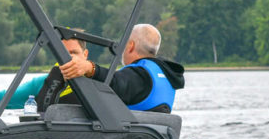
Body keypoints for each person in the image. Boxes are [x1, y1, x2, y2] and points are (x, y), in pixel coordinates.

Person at [52, 24, 185, 112]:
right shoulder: (164, 74)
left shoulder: (140, 76)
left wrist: (89, 68)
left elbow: (119, 82)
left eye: (124, 43)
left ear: (131, 46)